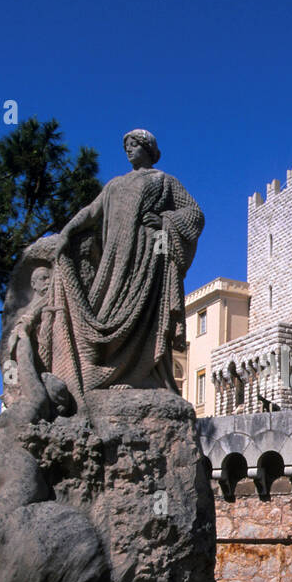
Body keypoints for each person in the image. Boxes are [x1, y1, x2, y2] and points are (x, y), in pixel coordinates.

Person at [46, 128, 202, 396]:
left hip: (148, 256)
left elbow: (194, 214)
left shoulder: (163, 180)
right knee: (104, 309)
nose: (129, 150)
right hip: (114, 262)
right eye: (126, 146)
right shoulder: (115, 185)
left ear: (148, 149)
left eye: (134, 145)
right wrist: (68, 230)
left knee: (145, 315)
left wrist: (165, 221)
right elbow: (92, 212)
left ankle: (143, 374)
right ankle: (102, 372)